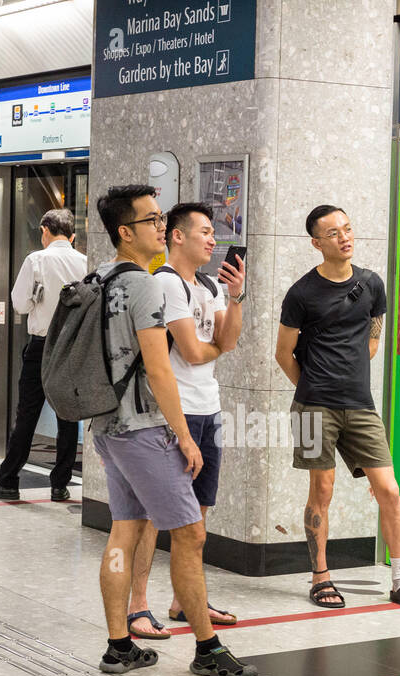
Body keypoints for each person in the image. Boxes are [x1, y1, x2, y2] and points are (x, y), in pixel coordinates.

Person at [90, 184, 256, 676]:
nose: (160, 227)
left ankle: (120, 646)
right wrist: (183, 435)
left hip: (109, 424)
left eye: (162, 219)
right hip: (144, 427)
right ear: (126, 231)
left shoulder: (99, 276)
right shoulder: (143, 284)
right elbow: (162, 370)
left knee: (123, 531)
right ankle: (207, 650)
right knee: (190, 532)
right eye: (152, 221)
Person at [274, 205, 400, 611]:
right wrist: (313, 388)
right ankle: (321, 576)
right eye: (333, 233)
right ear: (316, 243)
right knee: (321, 490)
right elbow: (283, 354)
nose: (344, 236)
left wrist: (353, 369)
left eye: (348, 227)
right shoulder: (301, 293)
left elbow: (373, 335)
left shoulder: (372, 283)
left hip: (360, 405)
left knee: (389, 489)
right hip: (313, 408)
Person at [122, 203, 246, 639]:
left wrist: (236, 298)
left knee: (199, 513)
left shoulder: (209, 284)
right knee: (155, 517)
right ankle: (138, 603)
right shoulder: (165, 283)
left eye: (214, 233)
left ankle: (185, 599)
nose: (214, 241)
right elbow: (193, 353)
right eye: (205, 232)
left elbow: (227, 342)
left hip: (208, 409)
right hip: (172, 414)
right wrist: (211, 348)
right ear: (177, 236)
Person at [0, 208, 87, 503]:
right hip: (73, 348)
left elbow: (19, 304)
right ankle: (60, 484)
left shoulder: (37, 260)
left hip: (41, 346)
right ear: (72, 234)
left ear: (44, 230)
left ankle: (9, 480)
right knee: (68, 417)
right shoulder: (85, 262)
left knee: (26, 415)